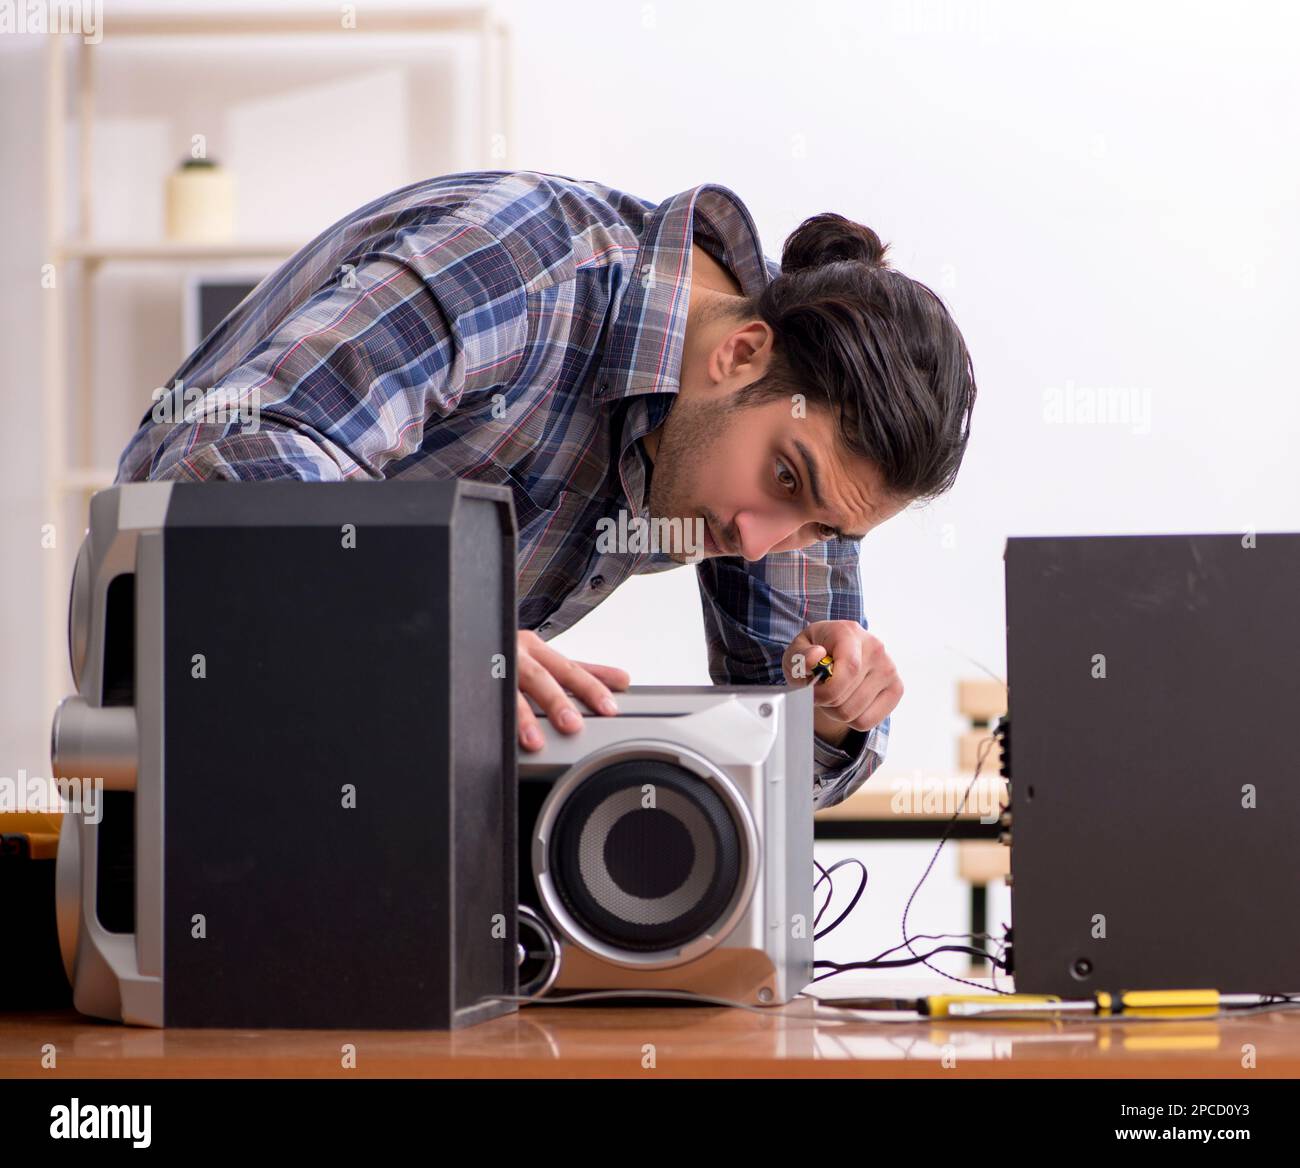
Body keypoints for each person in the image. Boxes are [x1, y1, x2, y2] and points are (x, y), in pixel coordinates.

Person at [116, 169, 977, 810]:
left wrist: (830, 713)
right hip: (186, 697)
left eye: (819, 530)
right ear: (742, 353)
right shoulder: (521, 265)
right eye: (785, 479)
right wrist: (439, 614)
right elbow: (231, 457)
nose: (761, 541)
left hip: (367, 771)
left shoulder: (773, 462)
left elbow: (778, 750)